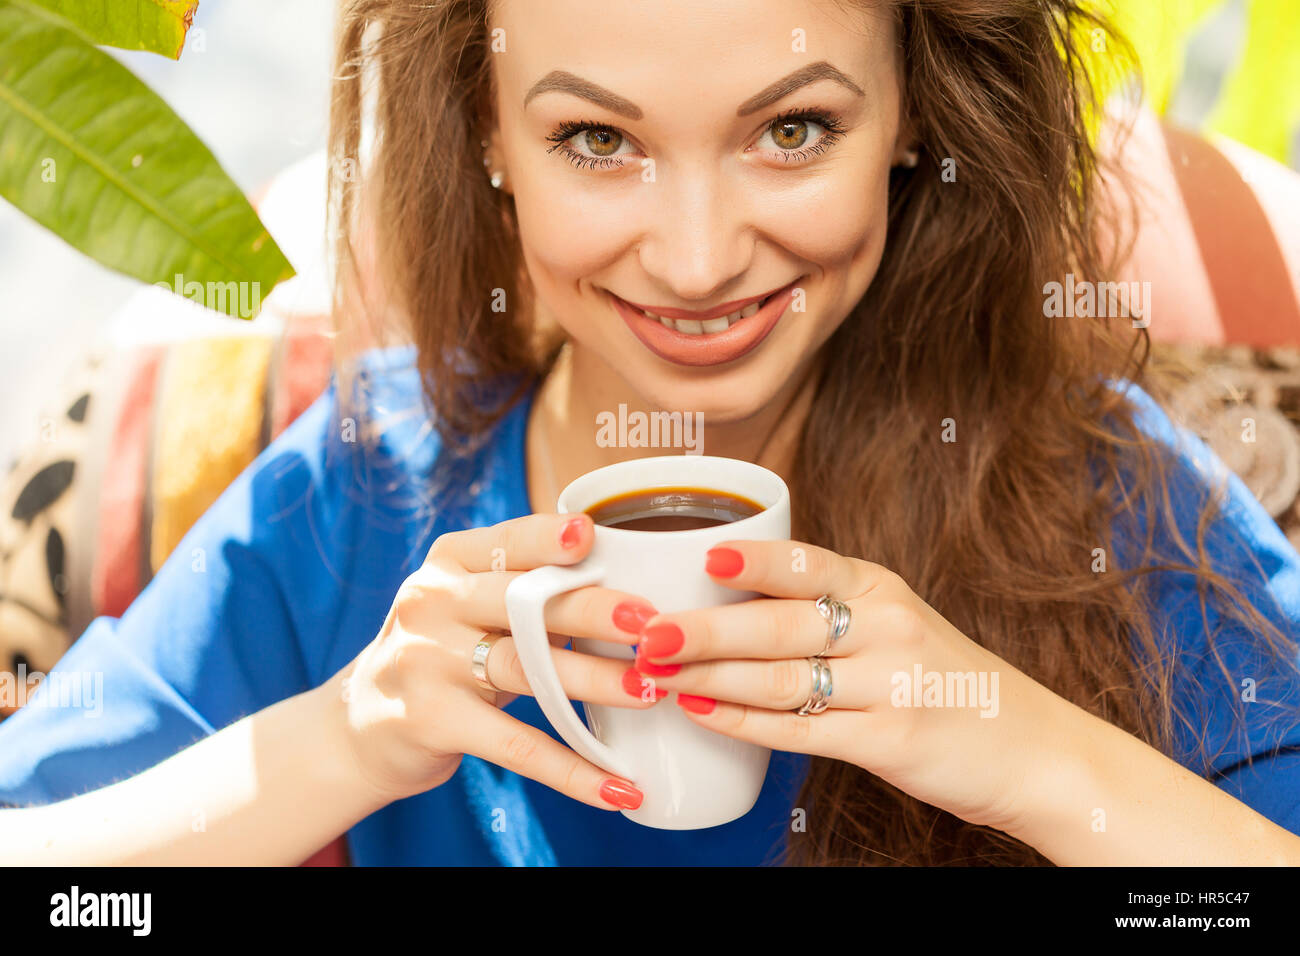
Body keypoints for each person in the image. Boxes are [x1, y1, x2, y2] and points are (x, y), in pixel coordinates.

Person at [1, 0, 1298, 866]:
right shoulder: (357, 493)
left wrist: (1013, 747)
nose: (694, 261)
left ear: (914, 117)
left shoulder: (1110, 498)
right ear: (488, 138)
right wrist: (342, 740)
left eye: (795, 130)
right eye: (595, 139)